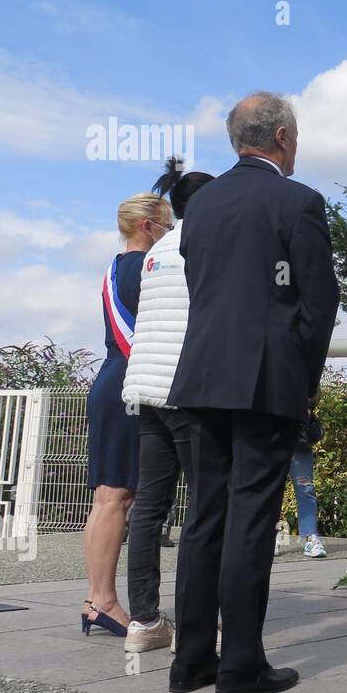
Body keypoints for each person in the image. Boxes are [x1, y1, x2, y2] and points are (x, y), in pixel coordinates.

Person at [167, 91, 339, 693]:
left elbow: (202, 288)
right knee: (251, 519)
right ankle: (240, 664)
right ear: (284, 137)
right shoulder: (299, 202)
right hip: (265, 381)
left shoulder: (201, 205)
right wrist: (304, 382)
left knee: (204, 516)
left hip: (200, 378)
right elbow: (318, 307)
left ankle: (190, 660)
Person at [121, 158, 215, 653]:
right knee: (206, 504)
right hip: (184, 391)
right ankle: (201, 622)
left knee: (149, 508)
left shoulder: (157, 253)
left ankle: (143, 621)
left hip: (143, 390)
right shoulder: (205, 247)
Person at [82, 192, 172, 637]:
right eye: (167, 226)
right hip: (128, 385)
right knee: (117, 496)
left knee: (107, 497)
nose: (170, 233)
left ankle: (97, 596)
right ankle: (103, 601)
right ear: (147, 226)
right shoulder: (145, 268)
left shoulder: (115, 267)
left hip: (109, 379)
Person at [277, 397, 326, 558]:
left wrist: (308, 405)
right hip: (271, 437)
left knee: (306, 489)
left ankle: (311, 537)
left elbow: (312, 384)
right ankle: (271, 536)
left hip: (298, 439)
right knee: (271, 489)